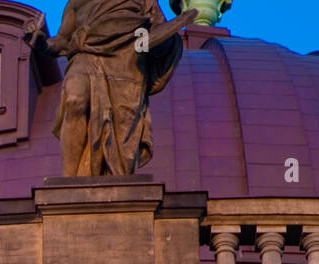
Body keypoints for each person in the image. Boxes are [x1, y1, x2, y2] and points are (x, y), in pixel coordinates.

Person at [30, 1, 196, 176]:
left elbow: (158, 34)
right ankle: (68, 180)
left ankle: (120, 187)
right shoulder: (77, 2)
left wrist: (162, 39)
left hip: (126, 62)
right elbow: (63, 40)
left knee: (123, 136)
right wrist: (43, 44)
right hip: (85, 55)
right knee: (74, 99)